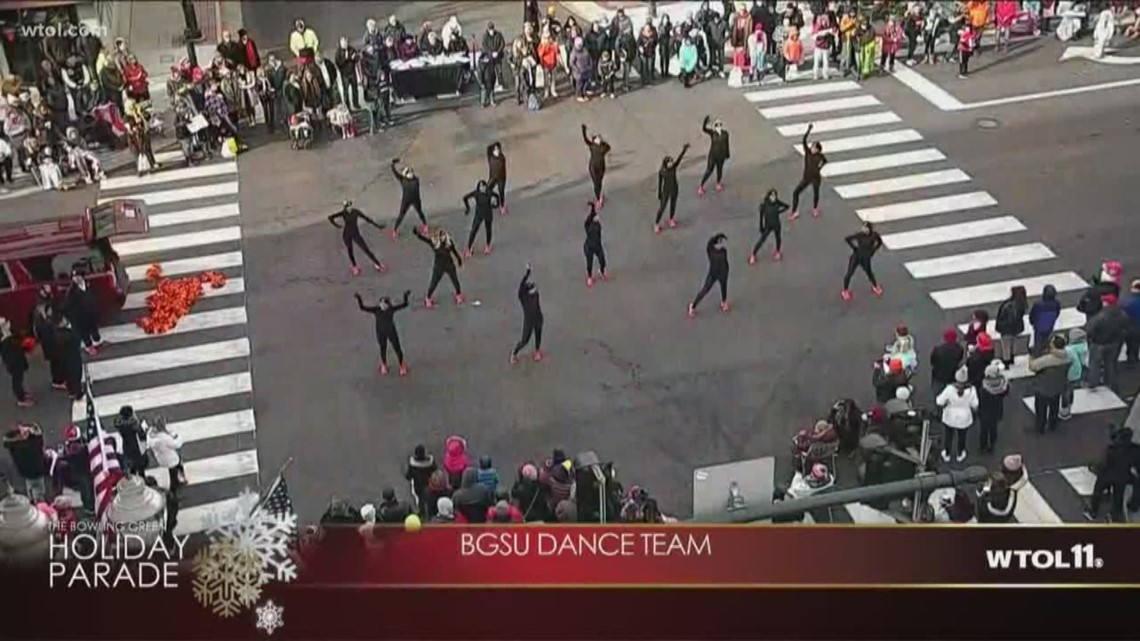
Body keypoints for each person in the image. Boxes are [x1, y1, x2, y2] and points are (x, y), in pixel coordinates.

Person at [1084, 427, 1140, 522]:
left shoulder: (1111, 450)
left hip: (1107, 476)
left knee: (1098, 491)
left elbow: (1103, 465)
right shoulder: (1135, 450)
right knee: (1118, 498)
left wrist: (1094, 468)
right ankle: (1114, 517)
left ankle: (1093, 512)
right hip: (1122, 477)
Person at [355, 290, 410, 376]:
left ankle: (401, 365)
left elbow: (404, 304)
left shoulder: (391, 309)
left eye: (384, 304)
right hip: (381, 332)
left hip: (391, 332)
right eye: (381, 303)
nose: (382, 305)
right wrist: (359, 298)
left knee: (397, 348)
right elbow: (363, 307)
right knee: (383, 348)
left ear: (388, 304)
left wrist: (405, 296)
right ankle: (384, 365)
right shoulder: (377, 309)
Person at [328, 200, 387, 275]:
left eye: (349, 206)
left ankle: (378, 264)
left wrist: (378, 226)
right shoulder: (343, 213)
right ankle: (354, 267)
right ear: (345, 207)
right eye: (347, 207)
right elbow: (330, 217)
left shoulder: (356, 212)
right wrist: (337, 225)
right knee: (350, 250)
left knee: (366, 249)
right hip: (346, 234)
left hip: (356, 234)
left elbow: (367, 219)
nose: (349, 208)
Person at [1028, 333, 1071, 434]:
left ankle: (1040, 428)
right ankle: (1053, 425)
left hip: (1043, 387)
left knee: (1041, 410)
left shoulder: (1047, 360)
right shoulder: (1067, 357)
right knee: (1054, 406)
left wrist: (1031, 357)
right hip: (1058, 386)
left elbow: (1032, 367)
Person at [1085, 294, 1130, 390]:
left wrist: (1092, 338)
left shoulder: (1100, 316)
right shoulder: (1122, 314)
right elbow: (1126, 326)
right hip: (1114, 343)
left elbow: (1089, 329)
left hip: (1098, 343)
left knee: (1094, 364)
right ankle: (1109, 382)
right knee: (1110, 364)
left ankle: (1093, 383)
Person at [413, 227, 464, 307]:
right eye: (442, 236)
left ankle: (458, 295)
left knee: (455, 280)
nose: (443, 237)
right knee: (434, 282)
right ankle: (428, 298)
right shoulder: (435, 243)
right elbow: (425, 240)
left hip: (449, 265)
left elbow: (454, 251)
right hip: (439, 266)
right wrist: (417, 234)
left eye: (444, 235)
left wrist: (459, 259)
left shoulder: (449, 242)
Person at [936, 366, 978, 463]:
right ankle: (960, 454)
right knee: (962, 436)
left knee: (948, 436)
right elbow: (975, 404)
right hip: (964, 417)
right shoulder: (972, 390)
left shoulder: (949, 389)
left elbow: (939, 401)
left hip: (950, 415)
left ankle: (947, 454)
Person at [29, 286, 65, 391]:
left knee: (57, 359)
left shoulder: (46, 301)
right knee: (55, 359)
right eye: (47, 291)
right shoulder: (41, 306)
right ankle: (57, 381)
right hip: (48, 337)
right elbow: (45, 322)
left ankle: (59, 379)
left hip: (51, 335)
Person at [688, 233, 730, 317]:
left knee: (707, 289)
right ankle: (723, 302)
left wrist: (717, 237)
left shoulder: (710, 251)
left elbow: (710, 243)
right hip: (720, 273)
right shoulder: (723, 252)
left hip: (714, 273)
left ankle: (693, 306)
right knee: (722, 288)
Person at [790, 123, 826, 220]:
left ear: (817, 150)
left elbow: (825, 161)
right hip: (806, 177)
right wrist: (808, 130)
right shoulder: (808, 152)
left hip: (815, 178)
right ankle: (794, 211)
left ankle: (815, 208)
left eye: (814, 147)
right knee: (796, 192)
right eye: (812, 146)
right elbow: (804, 140)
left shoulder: (820, 156)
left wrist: (819, 168)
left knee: (816, 193)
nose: (811, 147)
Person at [841, 221, 884, 301]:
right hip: (856, 257)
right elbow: (847, 239)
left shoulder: (874, 235)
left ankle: (875, 287)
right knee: (849, 273)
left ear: (869, 229)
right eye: (863, 228)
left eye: (866, 228)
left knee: (869, 272)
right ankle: (845, 290)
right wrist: (854, 248)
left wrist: (873, 250)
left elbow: (880, 242)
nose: (864, 230)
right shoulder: (859, 235)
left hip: (866, 258)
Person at [3, 423, 47, 500]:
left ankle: (32, 501)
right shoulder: (34, 443)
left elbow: (6, 439)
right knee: (39, 496)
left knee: (31, 493)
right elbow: (38, 433)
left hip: (26, 475)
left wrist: (17, 431)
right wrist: (29, 430)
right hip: (38, 473)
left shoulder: (14, 447)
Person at [511, 264, 544, 364]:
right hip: (529, 321)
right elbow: (521, 286)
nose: (533, 287)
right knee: (525, 340)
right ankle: (514, 353)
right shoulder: (523, 298)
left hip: (538, 318)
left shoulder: (535, 294)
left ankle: (537, 351)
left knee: (538, 335)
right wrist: (527, 273)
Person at [63, 273, 103, 355]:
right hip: (80, 317)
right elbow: (69, 306)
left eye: (78, 276)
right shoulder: (72, 291)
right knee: (85, 333)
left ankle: (97, 340)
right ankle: (89, 347)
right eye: (74, 277)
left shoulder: (88, 286)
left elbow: (93, 297)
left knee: (94, 329)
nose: (76, 279)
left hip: (91, 314)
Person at [655, 143, 689, 234]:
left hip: (674, 188)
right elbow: (660, 183)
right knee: (662, 208)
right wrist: (659, 193)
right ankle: (657, 224)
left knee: (673, 204)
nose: (671, 165)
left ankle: (671, 219)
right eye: (669, 163)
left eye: (671, 163)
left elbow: (679, 160)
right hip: (666, 190)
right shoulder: (662, 172)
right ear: (665, 164)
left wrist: (684, 150)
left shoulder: (673, 167)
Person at [389, 158, 428, 238]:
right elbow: (411, 173)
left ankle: (394, 231)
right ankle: (425, 226)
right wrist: (408, 168)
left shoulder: (403, 180)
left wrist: (393, 164)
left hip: (406, 201)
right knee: (420, 212)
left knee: (401, 215)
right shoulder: (416, 180)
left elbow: (395, 173)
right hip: (416, 200)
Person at [750, 188, 789, 264]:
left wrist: (779, 212)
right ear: (769, 196)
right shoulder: (764, 205)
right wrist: (761, 226)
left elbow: (787, 206)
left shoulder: (777, 203)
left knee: (778, 238)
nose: (773, 197)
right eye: (772, 195)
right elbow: (761, 217)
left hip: (777, 224)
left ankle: (778, 251)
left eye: (775, 196)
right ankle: (753, 254)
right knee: (762, 239)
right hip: (768, 225)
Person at [146, 416, 185, 491]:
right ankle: (173, 491)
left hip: (160, 458)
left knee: (173, 471)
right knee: (173, 474)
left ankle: (176, 482)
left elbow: (148, 439)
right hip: (170, 459)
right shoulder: (165, 438)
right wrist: (179, 436)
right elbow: (177, 444)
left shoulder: (151, 436)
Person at [978, 361, 1008, 454]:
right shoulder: (1002, 385)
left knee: (984, 430)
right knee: (993, 428)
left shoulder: (984, 386)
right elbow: (1006, 392)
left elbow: (980, 398)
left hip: (984, 411)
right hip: (996, 410)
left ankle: (983, 446)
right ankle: (992, 445)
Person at [462, 180, 499, 257]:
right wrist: (467, 208)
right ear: (479, 187)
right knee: (473, 230)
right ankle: (469, 248)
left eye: (484, 187)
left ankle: (488, 245)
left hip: (488, 214)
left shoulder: (489, 192)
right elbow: (465, 197)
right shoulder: (476, 193)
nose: (483, 188)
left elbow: (497, 196)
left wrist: (495, 205)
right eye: (481, 187)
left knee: (488, 229)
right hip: (478, 215)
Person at [994, 285, 1028, 367]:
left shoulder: (1007, 305)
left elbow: (1001, 317)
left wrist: (999, 327)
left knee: (1006, 347)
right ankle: (1012, 359)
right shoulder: (1022, 304)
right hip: (1016, 329)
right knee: (1013, 344)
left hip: (1006, 330)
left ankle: (1006, 363)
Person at [697, 115, 730, 196]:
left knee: (720, 170)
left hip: (721, 155)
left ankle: (718, 183)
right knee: (709, 170)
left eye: (720, 125)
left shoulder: (725, 134)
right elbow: (704, 129)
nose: (718, 126)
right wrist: (705, 122)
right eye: (716, 125)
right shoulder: (712, 133)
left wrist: (727, 154)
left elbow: (727, 144)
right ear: (714, 127)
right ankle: (701, 186)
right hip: (713, 155)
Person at [1060, 327, 1088, 421]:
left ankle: (1064, 411)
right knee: (1070, 390)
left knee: (1065, 391)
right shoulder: (1084, 347)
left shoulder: (1069, 349)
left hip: (1070, 373)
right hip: (1078, 372)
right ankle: (1069, 407)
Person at [581, 124, 611, 208]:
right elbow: (608, 147)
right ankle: (598, 197)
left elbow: (586, 140)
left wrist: (583, 131)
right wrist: (602, 142)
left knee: (597, 182)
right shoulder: (599, 147)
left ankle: (598, 197)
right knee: (597, 182)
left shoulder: (596, 147)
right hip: (598, 166)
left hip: (596, 167)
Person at [930, 328, 965, 401]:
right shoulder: (959, 349)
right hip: (952, 376)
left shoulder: (937, 350)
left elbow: (932, 362)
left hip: (939, 376)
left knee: (939, 397)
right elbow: (959, 359)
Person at [114, 405, 148, 475]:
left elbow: (118, 423)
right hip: (136, 448)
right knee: (140, 469)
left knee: (132, 469)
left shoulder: (120, 425)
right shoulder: (134, 425)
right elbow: (142, 434)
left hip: (126, 448)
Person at [1028, 284, 1062, 354]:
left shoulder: (1038, 304)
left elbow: (1032, 315)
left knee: (1038, 343)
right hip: (1049, 325)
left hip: (1039, 326)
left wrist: (1032, 322)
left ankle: (1037, 357)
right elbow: (1057, 314)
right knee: (1047, 342)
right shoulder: (1056, 304)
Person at [583, 203, 608, 287]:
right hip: (589, 247)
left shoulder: (598, 225)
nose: (598, 218)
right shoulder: (587, 225)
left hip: (597, 246)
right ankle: (589, 277)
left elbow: (594, 214)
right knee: (589, 262)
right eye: (596, 217)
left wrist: (594, 208)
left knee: (602, 260)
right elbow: (589, 218)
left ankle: (601, 271)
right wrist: (593, 208)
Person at [812, 10, 835, 80]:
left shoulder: (829, 26)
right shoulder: (817, 26)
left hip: (826, 47)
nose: (825, 21)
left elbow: (833, 33)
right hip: (818, 47)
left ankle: (826, 74)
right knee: (817, 62)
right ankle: (815, 75)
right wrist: (825, 33)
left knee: (826, 62)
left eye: (826, 19)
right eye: (823, 20)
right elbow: (814, 36)